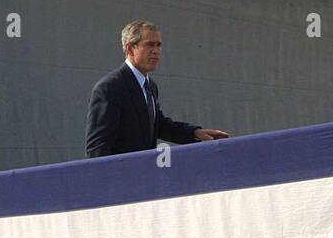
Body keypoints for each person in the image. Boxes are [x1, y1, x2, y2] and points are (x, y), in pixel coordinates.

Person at [85, 20, 229, 158]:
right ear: (130, 48)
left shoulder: (150, 86)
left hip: (146, 175)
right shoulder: (110, 88)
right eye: (149, 45)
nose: (156, 51)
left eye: (159, 45)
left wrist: (195, 133)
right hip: (123, 178)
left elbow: (158, 125)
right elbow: (97, 148)